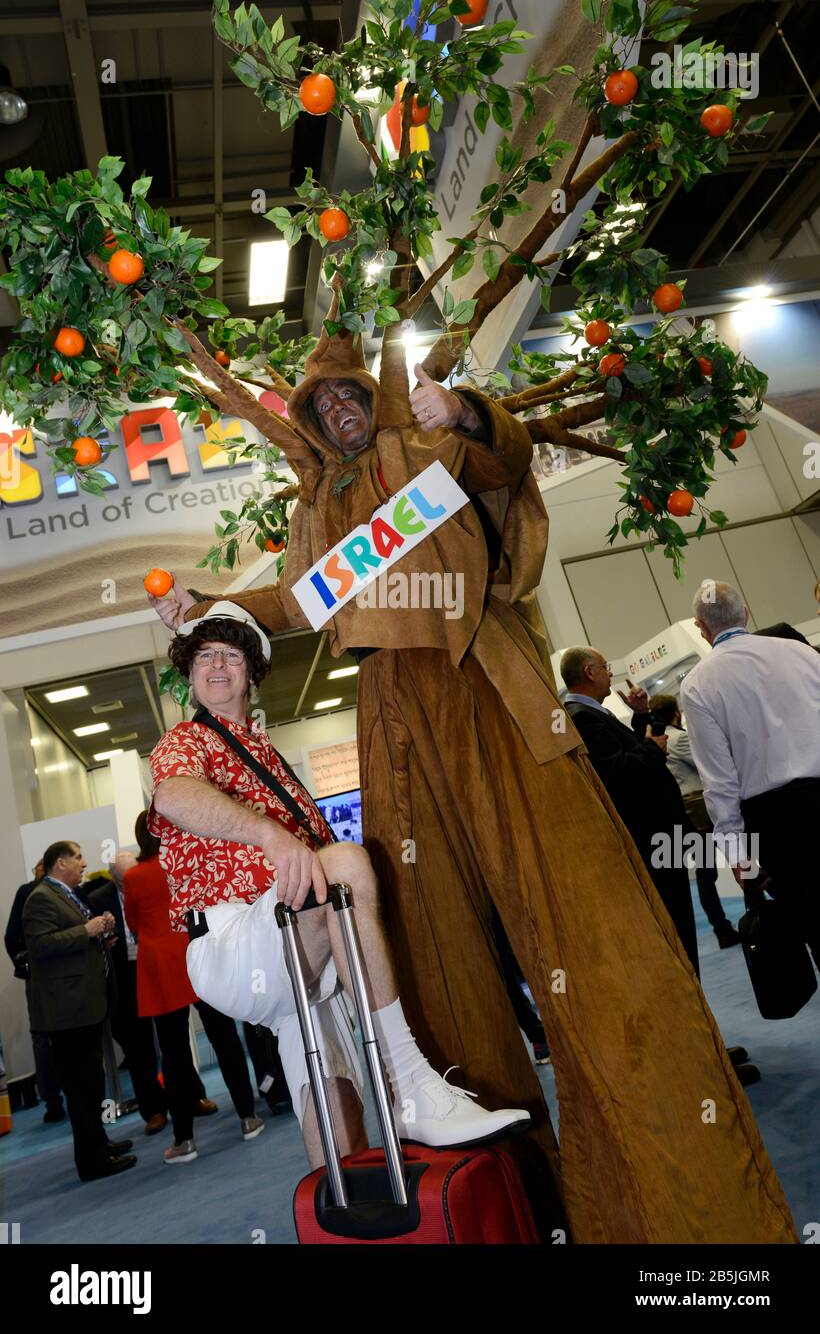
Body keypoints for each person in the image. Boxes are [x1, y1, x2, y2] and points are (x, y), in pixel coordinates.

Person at [146, 322, 796, 1243]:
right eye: (321, 405)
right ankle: (504, 1193)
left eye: (349, 397)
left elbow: (496, 463)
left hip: (479, 677)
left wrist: (470, 414)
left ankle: (676, 1217)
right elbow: (297, 601)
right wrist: (208, 605)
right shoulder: (329, 505)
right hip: (388, 706)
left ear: (372, 401)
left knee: (575, 911)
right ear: (309, 423)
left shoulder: (415, 453)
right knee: (431, 939)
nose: (338, 412)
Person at [147, 606, 531, 1170]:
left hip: (296, 949)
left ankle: (338, 1213)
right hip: (234, 941)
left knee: (334, 1101)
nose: (218, 665)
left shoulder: (266, 757)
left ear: (253, 672)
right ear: (190, 673)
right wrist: (268, 835)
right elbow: (172, 797)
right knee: (347, 865)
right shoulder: (187, 741)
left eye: (231, 653)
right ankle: (412, 1085)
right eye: (205, 655)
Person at [681, 580, 820, 970]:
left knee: (813, 924)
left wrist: (738, 856)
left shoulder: (697, 685)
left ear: (700, 627)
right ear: (746, 612)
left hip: (776, 825)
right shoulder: (800, 652)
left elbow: (719, 781)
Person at [126, 811, 261, 1163]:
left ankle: (184, 1140)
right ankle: (248, 1117)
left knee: (173, 1054)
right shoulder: (185, 862)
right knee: (224, 1035)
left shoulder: (134, 876)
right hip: (196, 955)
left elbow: (134, 923)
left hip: (160, 968)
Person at [561, 650, 700, 974]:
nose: (611, 674)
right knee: (674, 928)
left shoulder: (594, 714)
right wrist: (651, 749)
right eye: (606, 667)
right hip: (650, 839)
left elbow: (633, 750)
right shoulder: (582, 717)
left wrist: (641, 715)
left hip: (658, 837)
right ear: (589, 672)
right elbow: (618, 774)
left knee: (678, 925)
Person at [21, 841, 136, 1182]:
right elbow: (40, 946)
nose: (85, 864)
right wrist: (86, 930)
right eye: (79, 858)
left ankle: (99, 1145)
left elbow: (66, 942)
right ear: (60, 863)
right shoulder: (40, 898)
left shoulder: (67, 895)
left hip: (82, 1005)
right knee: (81, 1088)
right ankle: (92, 1161)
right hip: (66, 1011)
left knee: (90, 1083)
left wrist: (100, 937)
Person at [648, 694, 741, 950]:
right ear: (676, 712)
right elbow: (705, 764)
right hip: (701, 806)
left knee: (705, 872)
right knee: (737, 856)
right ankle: (742, 918)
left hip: (688, 808)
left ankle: (721, 927)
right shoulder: (679, 738)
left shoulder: (662, 740)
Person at [85, 852, 168, 1127]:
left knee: (172, 1040)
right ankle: (153, 1110)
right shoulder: (98, 900)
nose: (128, 882)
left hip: (155, 968)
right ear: (114, 878)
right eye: (123, 880)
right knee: (138, 1047)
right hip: (125, 978)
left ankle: (191, 1097)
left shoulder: (149, 881)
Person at [4, 859, 65, 1121]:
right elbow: (12, 937)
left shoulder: (63, 892)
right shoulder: (27, 893)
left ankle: (59, 1102)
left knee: (54, 1038)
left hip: (60, 977)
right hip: (42, 979)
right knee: (43, 1038)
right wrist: (26, 967)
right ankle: (53, 1101)